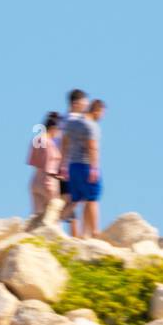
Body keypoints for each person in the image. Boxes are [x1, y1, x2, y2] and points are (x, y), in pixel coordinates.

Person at [60, 89, 103, 238]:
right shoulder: (78, 122)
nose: (86, 104)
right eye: (84, 101)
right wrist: (94, 168)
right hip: (81, 164)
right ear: (76, 103)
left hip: (70, 164)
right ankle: (92, 232)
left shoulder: (68, 120)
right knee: (89, 198)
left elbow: (64, 142)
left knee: (75, 200)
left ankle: (81, 234)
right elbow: (92, 146)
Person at [27, 111, 62, 216]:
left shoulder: (36, 140)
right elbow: (49, 167)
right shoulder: (49, 143)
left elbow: (32, 162)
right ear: (53, 128)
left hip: (35, 181)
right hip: (48, 183)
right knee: (52, 218)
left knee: (36, 217)